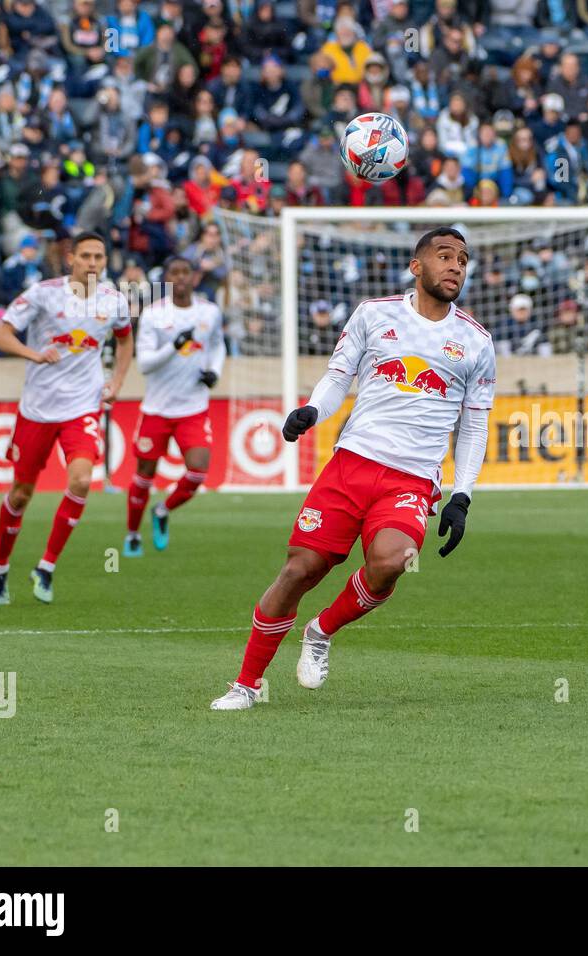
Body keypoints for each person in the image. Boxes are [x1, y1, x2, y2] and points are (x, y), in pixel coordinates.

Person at [210, 228, 496, 711]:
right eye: (444, 256)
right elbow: (338, 375)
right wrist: (312, 411)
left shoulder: (475, 342)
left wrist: (462, 495)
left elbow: (474, 425)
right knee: (300, 570)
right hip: (352, 463)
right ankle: (248, 683)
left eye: (463, 260)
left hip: (411, 478)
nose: (455, 267)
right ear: (416, 266)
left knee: (392, 561)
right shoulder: (374, 313)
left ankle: (322, 629)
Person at [0, 232, 133, 605]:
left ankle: (46, 567)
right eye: (86, 256)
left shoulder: (114, 301)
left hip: (82, 407)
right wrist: (33, 355)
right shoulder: (43, 293)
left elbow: (125, 341)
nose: (93, 263)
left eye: (99, 256)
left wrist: (116, 381)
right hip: (37, 409)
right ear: (71, 259)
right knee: (21, 494)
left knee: (82, 480)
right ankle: (0, 567)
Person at [124, 257, 225, 558]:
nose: (181, 278)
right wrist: (174, 345)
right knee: (144, 474)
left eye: (186, 272)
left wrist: (214, 372)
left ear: (194, 277)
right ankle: (131, 535)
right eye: (174, 273)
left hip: (193, 407)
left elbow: (217, 344)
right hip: (157, 408)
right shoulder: (154, 315)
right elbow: (143, 364)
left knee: (197, 471)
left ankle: (163, 509)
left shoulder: (209, 312)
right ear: (167, 278)